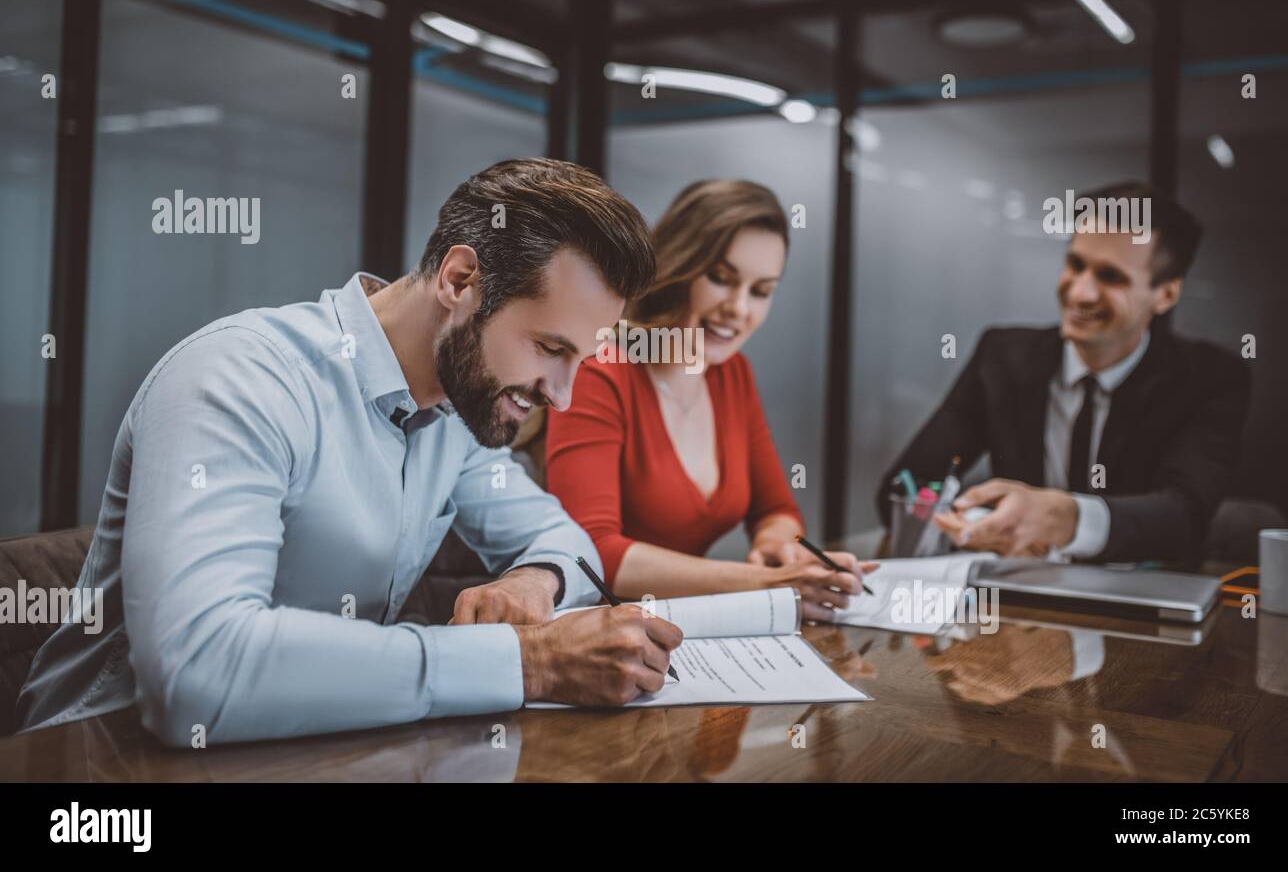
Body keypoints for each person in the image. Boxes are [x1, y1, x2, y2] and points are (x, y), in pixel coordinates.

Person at [17, 158, 684, 746]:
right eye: (551, 348)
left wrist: (534, 579)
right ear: (459, 280)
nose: (563, 398)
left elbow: (565, 540)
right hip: (101, 766)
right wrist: (525, 661)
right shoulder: (240, 378)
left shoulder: (458, 409)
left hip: (305, 751)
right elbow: (198, 674)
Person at [877, 181, 1250, 566]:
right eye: (1075, 265)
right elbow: (904, 487)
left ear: (1166, 295)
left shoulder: (1210, 379)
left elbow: (1185, 516)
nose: (1080, 293)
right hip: (1019, 600)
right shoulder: (1002, 357)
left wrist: (1064, 519)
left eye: (1110, 277)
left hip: (1145, 604)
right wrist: (976, 523)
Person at [547, 180, 873, 617]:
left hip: (687, 623)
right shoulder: (600, 369)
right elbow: (593, 553)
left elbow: (776, 508)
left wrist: (779, 545)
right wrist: (767, 582)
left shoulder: (732, 375)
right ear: (679, 265)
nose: (739, 309)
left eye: (761, 291)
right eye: (721, 279)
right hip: (596, 628)